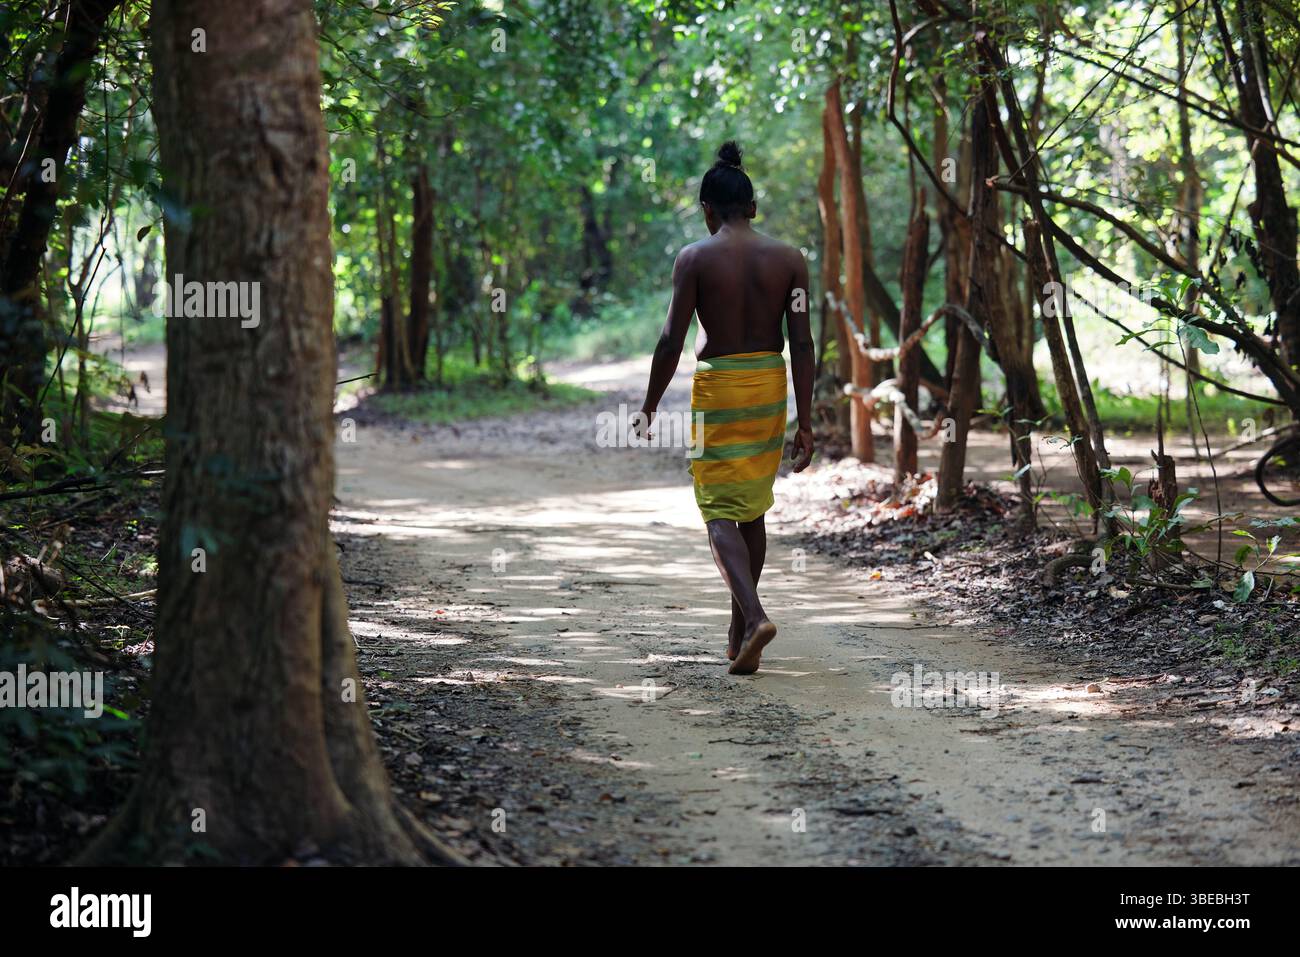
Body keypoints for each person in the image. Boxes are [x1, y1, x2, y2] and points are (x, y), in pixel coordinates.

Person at [636, 140, 815, 676]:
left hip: (717, 393)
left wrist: (648, 406)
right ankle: (739, 629)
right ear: (754, 207)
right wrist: (805, 421)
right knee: (752, 506)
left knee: (717, 509)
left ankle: (755, 616)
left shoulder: (694, 259)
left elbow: (671, 340)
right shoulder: (791, 261)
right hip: (767, 387)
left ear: (706, 210)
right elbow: (801, 343)